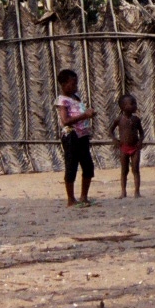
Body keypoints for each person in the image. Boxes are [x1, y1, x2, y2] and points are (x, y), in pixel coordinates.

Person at [54, 68, 96, 207]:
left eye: (76, 84)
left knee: (88, 166)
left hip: (82, 135)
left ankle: (84, 196)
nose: (75, 87)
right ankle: (71, 199)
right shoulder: (62, 101)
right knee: (71, 166)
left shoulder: (75, 97)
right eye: (72, 84)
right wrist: (85, 115)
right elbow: (65, 121)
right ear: (63, 84)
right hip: (71, 136)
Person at [111, 94, 146, 198]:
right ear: (123, 107)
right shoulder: (119, 120)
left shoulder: (136, 120)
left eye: (135, 103)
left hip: (135, 148)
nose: (135, 106)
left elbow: (142, 132)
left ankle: (137, 192)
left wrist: (140, 141)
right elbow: (110, 131)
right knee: (124, 170)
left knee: (135, 169)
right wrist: (115, 140)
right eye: (132, 104)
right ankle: (123, 192)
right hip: (124, 148)